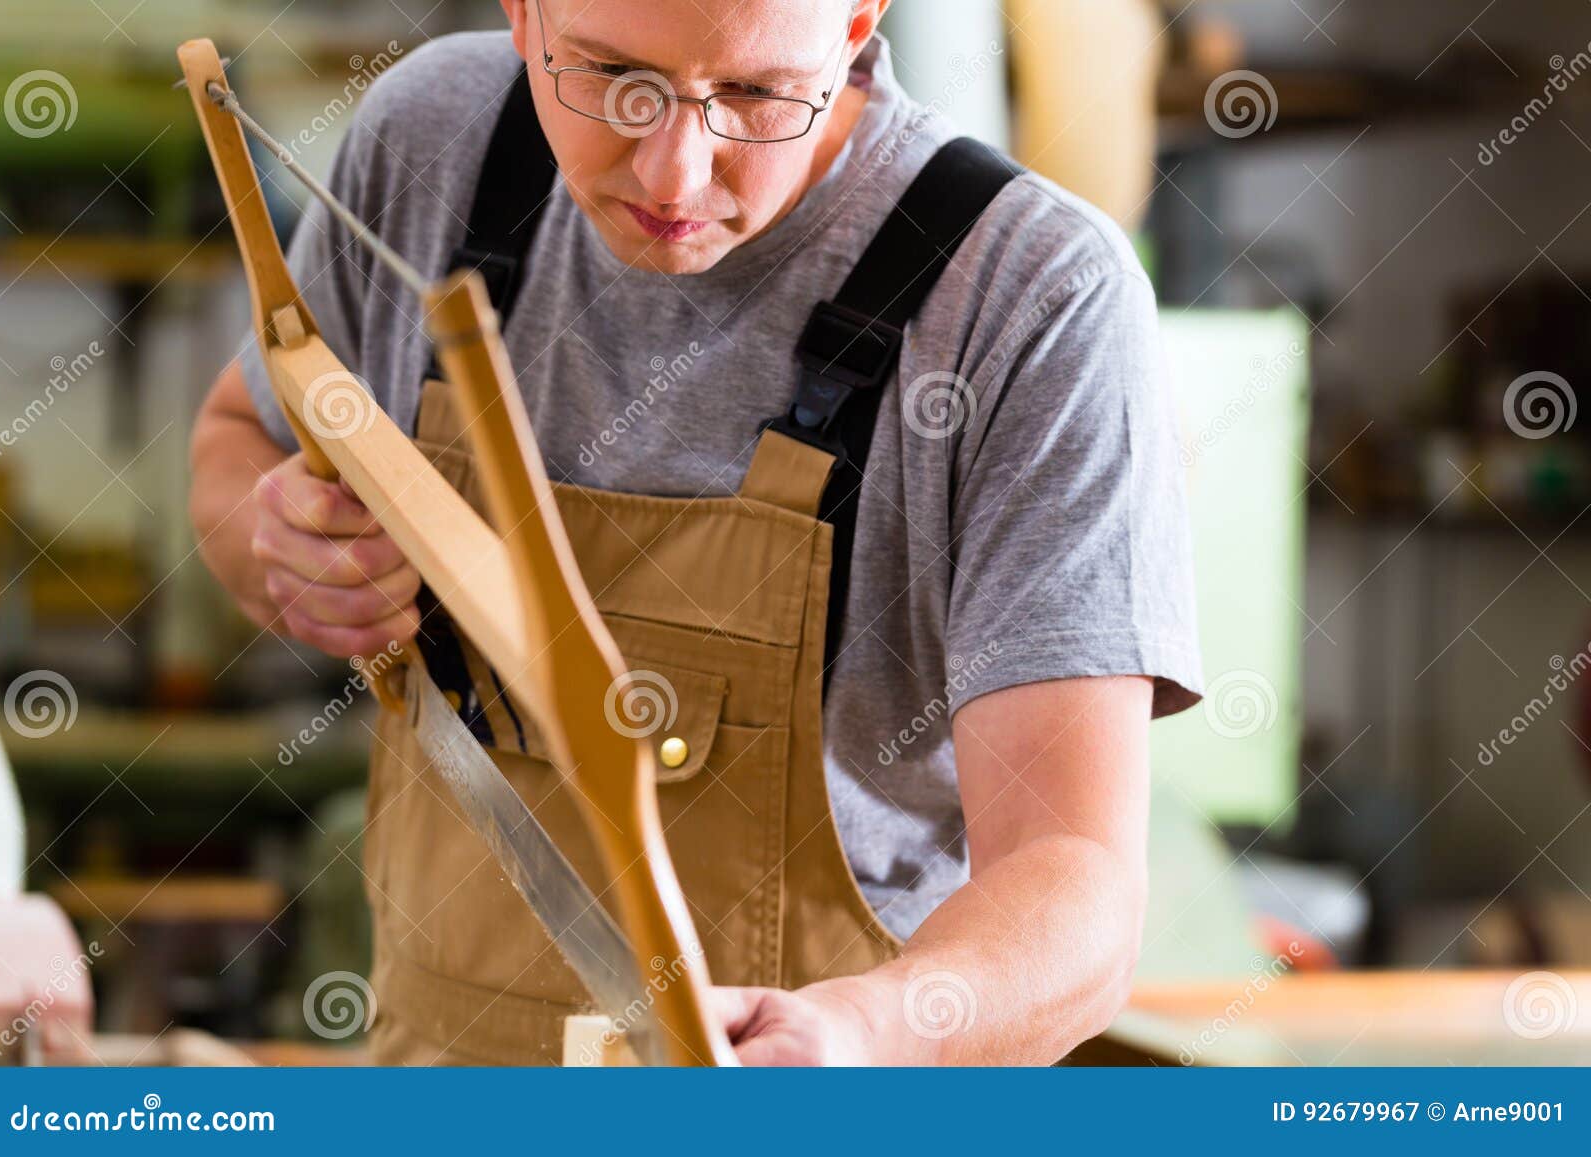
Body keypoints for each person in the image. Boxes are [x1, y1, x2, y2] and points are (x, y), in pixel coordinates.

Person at [189, 0, 1203, 1066]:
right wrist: (284, 551)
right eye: (611, 76)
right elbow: (236, 440)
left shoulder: (1031, 296)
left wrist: (873, 1026)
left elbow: (1075, 877)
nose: (673, 174)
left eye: (755, 93)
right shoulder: (432, 140)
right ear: (524, 11)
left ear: (860, 20)